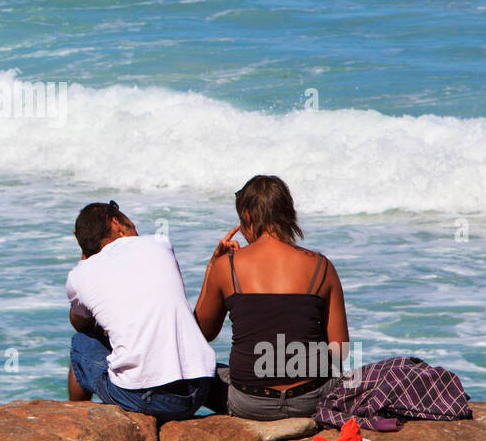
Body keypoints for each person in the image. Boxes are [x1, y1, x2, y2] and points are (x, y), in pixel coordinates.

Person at [194, 175, 349, 420]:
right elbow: (340, 349)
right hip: (310, 399)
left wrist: (212, 266)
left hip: (248, 402)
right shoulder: (321, 266)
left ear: (247, 216)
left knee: (194, 373)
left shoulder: (228, 267)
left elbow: (201, 334)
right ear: (289, 214)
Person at [66, 200, 217, 423]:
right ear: (117, 223)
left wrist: (85, 257)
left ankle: (77, 422)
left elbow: (81, 325)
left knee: (81, 343)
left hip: (144, 399)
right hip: (197, 390)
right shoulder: (160, 244)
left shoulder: (80, 274)